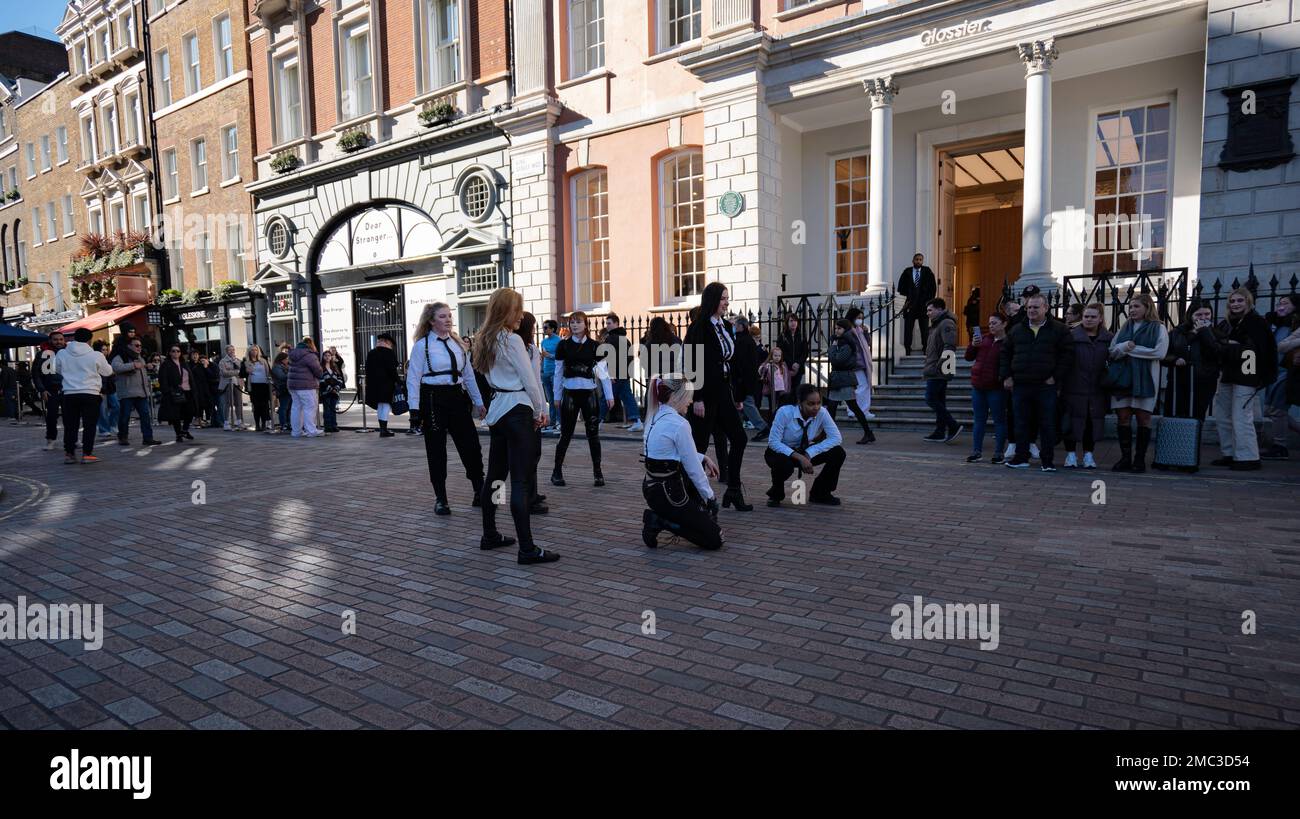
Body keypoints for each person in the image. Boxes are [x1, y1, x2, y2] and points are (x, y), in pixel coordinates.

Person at [472, 288, 556, 565]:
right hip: (518, 409)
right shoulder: (511, 340)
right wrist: (541, 409)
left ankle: (490, 533)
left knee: (496, 477)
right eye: (517, 309)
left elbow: (484, 377)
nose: (520, 315)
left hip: (498, 411)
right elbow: (530, 379)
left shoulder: (484, 339)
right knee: (520, 481)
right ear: (507, 310)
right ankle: (527, 548)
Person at [406, 303, 486, 515]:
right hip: (432, 399)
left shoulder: (458, 344)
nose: (448, 320)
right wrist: (414, 410)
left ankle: (480, 491)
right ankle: (441, 498)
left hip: (457, 398)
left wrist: (479, 402)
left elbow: (468, 376)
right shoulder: (422, 346)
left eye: (449, 316)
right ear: (431, 321)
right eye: (443, 316)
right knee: (436, 449)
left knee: (470, 445)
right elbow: (413, 378)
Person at [684, 282, 752, 511]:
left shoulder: (722, 325)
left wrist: (737, 394)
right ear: (713, 300)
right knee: (699, 447)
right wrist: (698, 397)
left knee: (739, 438)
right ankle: (694, 497)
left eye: (727, 298)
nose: (726, 303)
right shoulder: (699, 327)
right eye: (723, 298)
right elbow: (692, 364)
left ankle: (733, 489)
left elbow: (730, 361)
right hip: (705, 394)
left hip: (723, 391)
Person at [641, 375, 723, 550]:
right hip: (670, 496)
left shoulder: (653, 416)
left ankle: (664, 517)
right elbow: (694, 470)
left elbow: (667, 453)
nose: (691, 400)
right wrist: (710, 498)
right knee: (715, 539)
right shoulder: (679, 424)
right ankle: (660, 521)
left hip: (652, 490)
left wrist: (703, 457)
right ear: (675, 396)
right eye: (688, 396)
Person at [1000, 291, 1072, 472]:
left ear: (1046, 308)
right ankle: (1021, 457)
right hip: (1021, 385)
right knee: (1021, 422)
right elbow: (1005, 354)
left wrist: (1055, 377)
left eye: (1035, 307)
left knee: (1047, 424)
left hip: (1045, 386)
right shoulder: (1016, 329)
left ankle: (1047, 461)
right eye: (1029, 307)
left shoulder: (1059, 329)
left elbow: (1068, 356)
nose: (1031, 310)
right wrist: (1006, 376)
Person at [1211, 287, 1277, 471]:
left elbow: (1255, 351)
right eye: (1232, 301)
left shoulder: (1256, 322)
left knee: (1241, 416)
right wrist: (1229, 346)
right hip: (1228, 374)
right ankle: (1230, 453)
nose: (1235, 304)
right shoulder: (1226, 324)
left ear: (1248, 302)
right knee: (1223, 415)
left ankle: (1248, 456)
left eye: (1240, 301)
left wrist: (1227, 346)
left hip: (1247, 375)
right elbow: (1218, 346)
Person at [551, 310, 614, 487]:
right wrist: (556, 396)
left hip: (589, 392)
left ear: (585, 324)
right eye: (572, 322)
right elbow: (557, 372)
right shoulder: (563, 346)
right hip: (570, 392)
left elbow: (603, 372)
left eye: (578, 322)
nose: (574, 325)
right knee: (566, 433)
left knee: (593, 434)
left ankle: (597, 472)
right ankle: (557, 471)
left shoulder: (595, 346)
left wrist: (609, 395)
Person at [1107, 293, 1169, 473]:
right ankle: (1125, 458)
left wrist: (1130, 350)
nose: (1132, 310)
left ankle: (1139, 459)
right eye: (1131, 307)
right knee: (1123, 417)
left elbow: (1159, 353)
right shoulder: (1124, 328)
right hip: (1122, 379)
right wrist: (1125, 346)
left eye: (1136, 306)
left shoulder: (1159, 328)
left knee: (1144, 419)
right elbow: (1112, 352)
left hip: (1146, 379)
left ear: (1147, 308)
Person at [765, 383, 846, 507]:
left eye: (818, 403)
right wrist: (799, 457)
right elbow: (773, 442)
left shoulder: (822, 412)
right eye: (811, 404)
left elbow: (836, 438)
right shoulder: (784, 412)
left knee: (838, 452)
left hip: (805, 450)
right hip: (781, 451)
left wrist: (810, 452)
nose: (816, 407)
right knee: (783, 463)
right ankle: (776, 493)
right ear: (800, 403)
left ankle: (820, 493)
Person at [1061, 303, 1111, 469]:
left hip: (1097, 388)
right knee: (1071, 421)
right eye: (1086, 316)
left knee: (1092, 422)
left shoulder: (1108, 338)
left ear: (1100, 319)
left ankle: (1089, 455)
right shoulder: (1071, 337)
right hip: (1073, 386)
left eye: (1093, 317)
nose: (1089, 320)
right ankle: (1070, 455)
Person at [56, 328, 115, 464]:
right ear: (90, 340)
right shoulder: (96, 355)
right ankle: (87, 454)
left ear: (74, 338)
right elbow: (107, 371)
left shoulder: (62, 353)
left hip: (69, 393)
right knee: (89, 425)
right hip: (90, 393)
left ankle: (69, 454)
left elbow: (57, 369)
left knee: (71, 425)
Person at [1162, 301, 1220, 423]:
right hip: (1179, 380)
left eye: (1207, 314)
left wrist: (1204, 332)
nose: (1203, 318)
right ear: (1191, 315)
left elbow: (1217, 353)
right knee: (1174, 415)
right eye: (1199, 315)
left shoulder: (1215, 333)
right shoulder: (1178, 332)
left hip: (1204, 381)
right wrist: (1174, 360)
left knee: (1197, 418)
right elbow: (1164, 353)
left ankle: (1193, 441)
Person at [516, 312, 549, 515]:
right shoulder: (523, 350)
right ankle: (526, 499)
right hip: (523, 407)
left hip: (516, 407)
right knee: (527, 455)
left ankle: (530, 494)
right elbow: (534, 381)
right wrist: (541, 410)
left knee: (530, 454)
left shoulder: (530, 350)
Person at [965, 313, 1008, 464]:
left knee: (999, 420)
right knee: (979, 420)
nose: (991, 326)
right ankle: (976, 451)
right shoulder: (984, 339)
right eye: (990, 323)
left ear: (1004, 324)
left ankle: (998, 453)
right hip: (978, 385)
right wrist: (972, 345)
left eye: (995, 323)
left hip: (996, 387)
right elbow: (969, 357)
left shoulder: (1007, 342)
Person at [1261, 293, 1299, 460]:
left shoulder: (1296, 324)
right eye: (1279, 303)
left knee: (1278, 410)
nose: (1280, 306)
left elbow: (1281, 347)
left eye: (1285, 303)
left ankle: (1280, 446)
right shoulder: (1276, 324)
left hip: (1288, 372)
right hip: (1274, 372)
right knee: (1270, 410)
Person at [922, 298, 962, 443]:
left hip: (939, 369)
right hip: (936, 367)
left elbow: (949, 346)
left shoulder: (946, 323)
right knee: (939, 400)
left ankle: (953, 425)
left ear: (940, 309)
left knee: (931, 398)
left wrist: (941, 366)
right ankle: (940, 431)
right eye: (927, 310)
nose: (928, 313)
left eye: (930, 310)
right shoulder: (936, 325)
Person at [111, 336, 161, 446]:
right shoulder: (120, 357)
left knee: (145, 416)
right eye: (136, 345)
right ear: (129, 346)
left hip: (141, 392)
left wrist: (147, 367)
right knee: (125, 416)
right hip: (127, 393)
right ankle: (123, 437)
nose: (139, 347)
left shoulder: (140, 357)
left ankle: (148, 438)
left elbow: (141, 373)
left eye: (140, 345)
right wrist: (133, 365)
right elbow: (115, 367)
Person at [600, 313, 643, 431]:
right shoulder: (625, 339)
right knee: (626, 396)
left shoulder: (611, 338)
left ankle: (598, 420)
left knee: (607, 397)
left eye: (609, 323)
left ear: (616, 324)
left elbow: (607, 357)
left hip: (616, 374)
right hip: (623, 373)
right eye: (606, 323)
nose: (607, 325)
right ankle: (637, 420)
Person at [731, 316, 767, 439]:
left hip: (743, 380)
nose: (734, 327)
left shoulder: (743, 341)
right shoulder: (746, 340)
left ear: (741, 326)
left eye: (735, 325)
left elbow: (740, 362)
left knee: (748, 404)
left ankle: (763, 427)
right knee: (742, 404)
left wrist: (739, 379)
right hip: (745, 379)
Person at [898, 252, 937, 355]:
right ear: (913, 261)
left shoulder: (927, 271)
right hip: (910, 305)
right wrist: (904, 302)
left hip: (923, 306)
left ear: (922, 261)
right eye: (917, 259)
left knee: (924, 329)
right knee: (908, 329)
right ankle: (907, 349)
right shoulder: (907, 272)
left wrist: (929, 302)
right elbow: (900, 288)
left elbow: (933, 288)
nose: (918, 261)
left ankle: (926, 348)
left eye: (920, 259)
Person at [33, 331, 66, 450]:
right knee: (51, 417)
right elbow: (36, 373)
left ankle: (74, 439)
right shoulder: (43, 354)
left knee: (71, 417)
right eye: (56, 339)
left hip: (68, 389)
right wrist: (42, 390)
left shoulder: (68, 353)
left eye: (61, 339)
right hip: (50, 390)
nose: (59, 342)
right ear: (50, 341)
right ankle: (50, 440)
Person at [364, 333, 401, 437]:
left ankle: (382, 428)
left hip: (374, 384)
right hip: (386, 384)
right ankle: (383, 430)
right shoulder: (389, 353)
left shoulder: (371, 353)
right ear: (387, 342)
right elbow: (392, 370)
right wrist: (399, 382)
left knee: (380, 405)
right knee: (385, 405)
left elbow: (367, 369)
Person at [158, 344, 197, 442]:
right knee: (176, 414)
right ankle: (178, 434)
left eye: (178, 351)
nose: (176, 353)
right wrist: (168, 390)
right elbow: (163, 379)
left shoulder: (184, 363)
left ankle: (184, 430)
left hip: (188, 391)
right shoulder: (166, 364)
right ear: (170, 353)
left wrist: (193, 389)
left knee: (191, 411)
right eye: (173, 351)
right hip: (175, 392)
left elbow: (190, 377)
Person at [287, 337, 324, 438]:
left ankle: (296, 431)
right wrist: (321, 375)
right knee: (310, 407)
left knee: (296, 408)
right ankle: (311, 430)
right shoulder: (309, 355)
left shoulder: (293, 354)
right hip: (306, 385)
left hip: (293, 385)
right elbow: (318, 370)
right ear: (311, 344)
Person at [757, 346, 791, 440]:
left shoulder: (782, 366)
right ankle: (771, 425)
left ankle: (777, 425)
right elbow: (761, 370)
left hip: (780, 390)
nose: (777, 357)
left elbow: (786, 378)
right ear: (771, 356)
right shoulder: (768, 365)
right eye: (775, 355)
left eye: (779, 356)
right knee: (772, 408)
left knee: (779, 408)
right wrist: (765, 369)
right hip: (771, 390)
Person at [92, 340, 119, 439]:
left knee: (117, 406)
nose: (105, 352)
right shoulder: (94, 361)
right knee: (102, 410)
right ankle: (103, 430)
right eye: (103, 350)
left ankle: (113, 425)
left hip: (111, 388)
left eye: (106, 350)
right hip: (100, 389)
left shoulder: (108, 360)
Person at [776, 313, 809, 394]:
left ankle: (795, 406)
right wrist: (791, 365)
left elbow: (805, 352)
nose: (793, 323)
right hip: (786, 368)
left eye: (795, 321)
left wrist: (798, 363)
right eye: (791, 321)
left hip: (799, 369)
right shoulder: (782, 336)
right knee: (786, 391)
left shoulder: (801, 336)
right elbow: (780, 352)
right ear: (787, 323)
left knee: (796, 391)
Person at [244, 345, 273, 432]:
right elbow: (242, 373)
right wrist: (246, 370)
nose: (254, 352)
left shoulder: (263, 360)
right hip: (253, 386)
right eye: (252, 350)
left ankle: (264, 424)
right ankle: (257, 424)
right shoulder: (246, 361)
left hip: (264, 385)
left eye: (256, 350)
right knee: (256, 406)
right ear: (249, 352)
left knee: (264, 406)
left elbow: (268, 371)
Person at [539, 319, 562, 431]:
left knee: (557, 399)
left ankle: (560, 421)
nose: (544, 330)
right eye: (543, 327)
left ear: (552, 329)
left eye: (546, 328)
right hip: (545, 373)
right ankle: (552, 422)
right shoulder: (543, 342)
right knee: (550, 400)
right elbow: (542, 357)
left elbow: (561, 357)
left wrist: (549, 355)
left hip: (555, 373)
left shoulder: (559, 341)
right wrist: (541, 370)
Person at [217, 345, 246, 431]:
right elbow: (224, 373)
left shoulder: (237, 360)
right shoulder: (223, 361)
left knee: (238, 402)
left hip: (237, 384)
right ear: (226, 351)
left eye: (233, 350)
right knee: (227, 403)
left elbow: (242, 370)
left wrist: (234, 365)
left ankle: (239, 421)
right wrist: (236, 372)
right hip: (227, 384)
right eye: (230, 350)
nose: (232, 351)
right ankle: (226, 422)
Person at [319, 350, 346, 433]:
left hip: (335, 392)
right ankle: (328, 426)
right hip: (326, 392)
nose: (327, 357)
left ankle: (334, 425)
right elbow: (321, 380)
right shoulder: (320, 367)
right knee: (327, 410)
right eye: (325, 355)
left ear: (331, 357)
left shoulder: (334, 367)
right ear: (323, 357)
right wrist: (330, 389)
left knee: (333, 409)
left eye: (329, 355)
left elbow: (340, 378)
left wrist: (336, 388)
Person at [186, 349, 213, 428]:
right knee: (195, 404)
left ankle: (206, 420)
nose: (195, 356)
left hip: (203, 388)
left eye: (197, 354)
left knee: (205, 403)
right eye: (193, 354)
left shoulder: (201, 364)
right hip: (193, 388)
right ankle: (197, 420)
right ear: (190, 356)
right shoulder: (188, 365)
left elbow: (210, 375)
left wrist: (206, 367)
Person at [271, 352, 292, 432]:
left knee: (289, 407)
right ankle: (283, 423)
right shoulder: (277, 367)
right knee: (284, 407)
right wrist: (291, 374)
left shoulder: (288, 366)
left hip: (289, 388)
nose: (287, 360)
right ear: (281, 359)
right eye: (286, 359)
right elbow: (282, 377)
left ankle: (289, 422)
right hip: (282, 389)